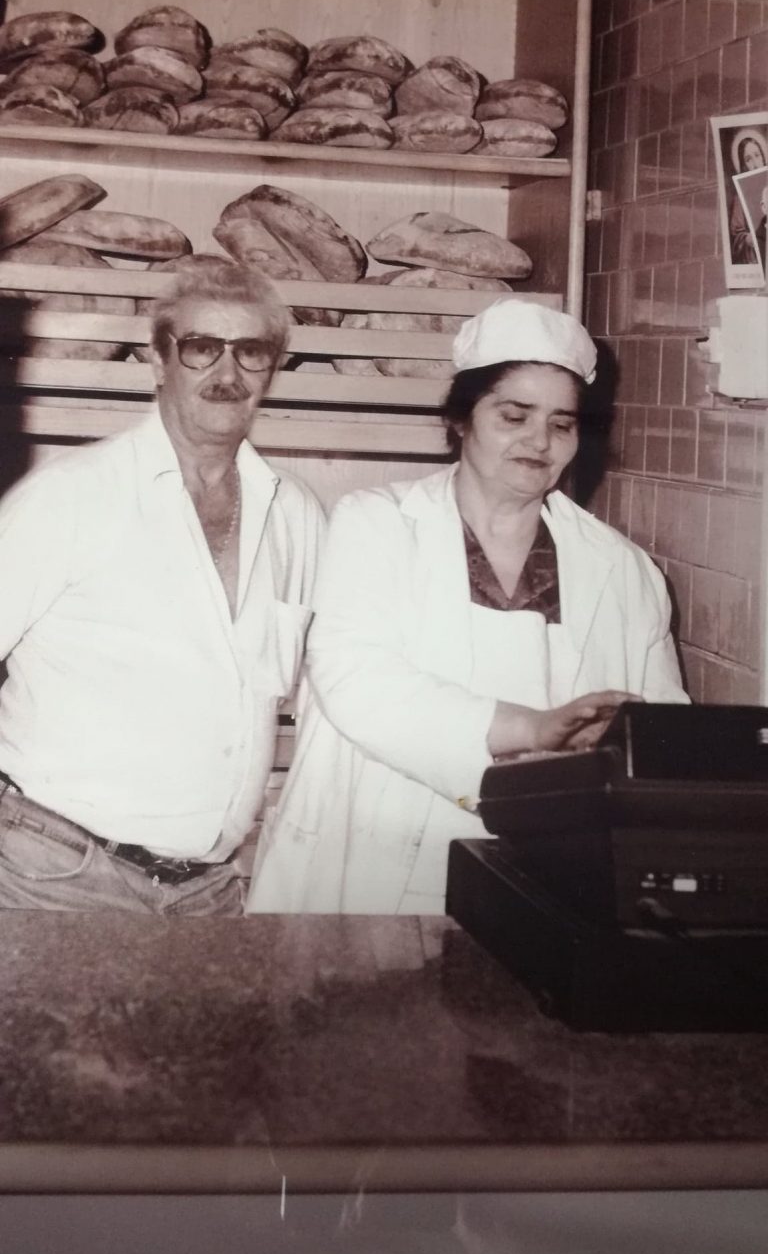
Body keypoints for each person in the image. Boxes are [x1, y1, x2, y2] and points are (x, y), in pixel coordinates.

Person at [246, 298, 688, 917]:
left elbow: (664, 732)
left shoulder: (624, 570)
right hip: (374, 864)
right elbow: (357, 680)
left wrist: (620, 736)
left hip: (545, 874)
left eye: (562, 424)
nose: (539, 440)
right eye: (515, 415)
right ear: (461, 419)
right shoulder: (377, 524)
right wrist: (534, 729)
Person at [0, 260, 324, 914]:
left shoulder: (297, 514)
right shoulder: (69, 498)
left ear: (274, 367)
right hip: (58, 879)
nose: (227, 375)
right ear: (158, 358)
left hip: (212, 890)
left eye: (252, 352)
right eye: (202, 348)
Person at [729, 131, 768, 265]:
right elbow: (737, 236)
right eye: (748, 159)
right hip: (755, 258)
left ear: (763, 157)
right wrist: (749, 239)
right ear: (743, 165)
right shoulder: (740, 196)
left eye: (757, 155)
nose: (755, 163)